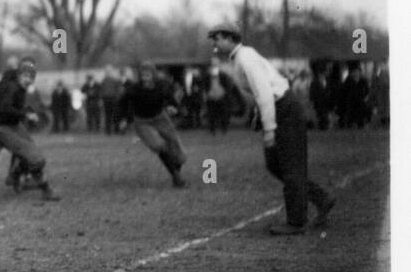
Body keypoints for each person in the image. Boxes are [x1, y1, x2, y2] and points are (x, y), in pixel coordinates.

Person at [208, 23, 335, 234]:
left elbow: (265, 93)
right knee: (275, 163)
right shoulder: (240, 58)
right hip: (281, 108)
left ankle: (296, 222)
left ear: (231, 39)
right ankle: (321, 198)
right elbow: (261, 94)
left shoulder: (245, 58)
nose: (214, 43)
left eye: (217, 38)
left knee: (288, 164)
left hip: (285, 108)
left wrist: (269, 129)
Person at [0, 60, 61, 201]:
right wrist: (25, 114)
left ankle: (15, 174)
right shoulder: (13, 88)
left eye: (31, 77)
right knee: (35, 158)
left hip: (12, 124)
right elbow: (5, 108)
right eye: (25, 76)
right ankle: (45, 190)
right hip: (3, 127)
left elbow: (14, 110)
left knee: (32, 153)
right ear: (19, 76)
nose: (28, 79)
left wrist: (28, 115)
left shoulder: (20, 89)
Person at [118, 62, 187, 187]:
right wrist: (123, 119)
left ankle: (176, 173)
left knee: (179, 154)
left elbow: (170, 99)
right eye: (143, 74)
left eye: (148, 73)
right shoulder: (134, 89)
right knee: (159, 145)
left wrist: (174, 107)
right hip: (142, 121)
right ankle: (177, 178)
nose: (146, 76)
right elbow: (122, 103)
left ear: (153, 74)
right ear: (140, 75)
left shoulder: (162, 86)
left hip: (161, 118)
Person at [204, 58, 235, 135]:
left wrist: (225, 93)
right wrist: (206, 93)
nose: (214, 65)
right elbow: (204, 85)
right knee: (211, 115)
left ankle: (224, 129)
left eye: (215, 63)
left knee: (223, 113)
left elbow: (228, 85)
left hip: (221, 96)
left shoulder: (223, 75)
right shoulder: (207, 75)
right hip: (211, 97)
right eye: (213, 64)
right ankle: (212, 130)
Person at [99, 66, 123, 134]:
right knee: (108, 115)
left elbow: (118, 90)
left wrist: (117, 98)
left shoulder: (114, 80)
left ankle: (115, 129)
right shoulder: (104, 80)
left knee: (114, 115)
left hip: (113, 99)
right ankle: (109, 130)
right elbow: (102, 91)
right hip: (107, 100)